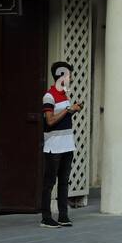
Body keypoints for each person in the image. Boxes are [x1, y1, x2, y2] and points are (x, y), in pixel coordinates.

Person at [40, 60, 83, 228]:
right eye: (69, 75)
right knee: (50, 182)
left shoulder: (64, 94)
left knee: (64, 181)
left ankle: (63, 216)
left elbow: (62, 119)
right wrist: (68, 110)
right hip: (54, 146)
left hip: (67, 144)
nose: (71, 78)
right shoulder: (49, 96)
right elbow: (49, 121)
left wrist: (73, 109)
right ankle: (45, 217)